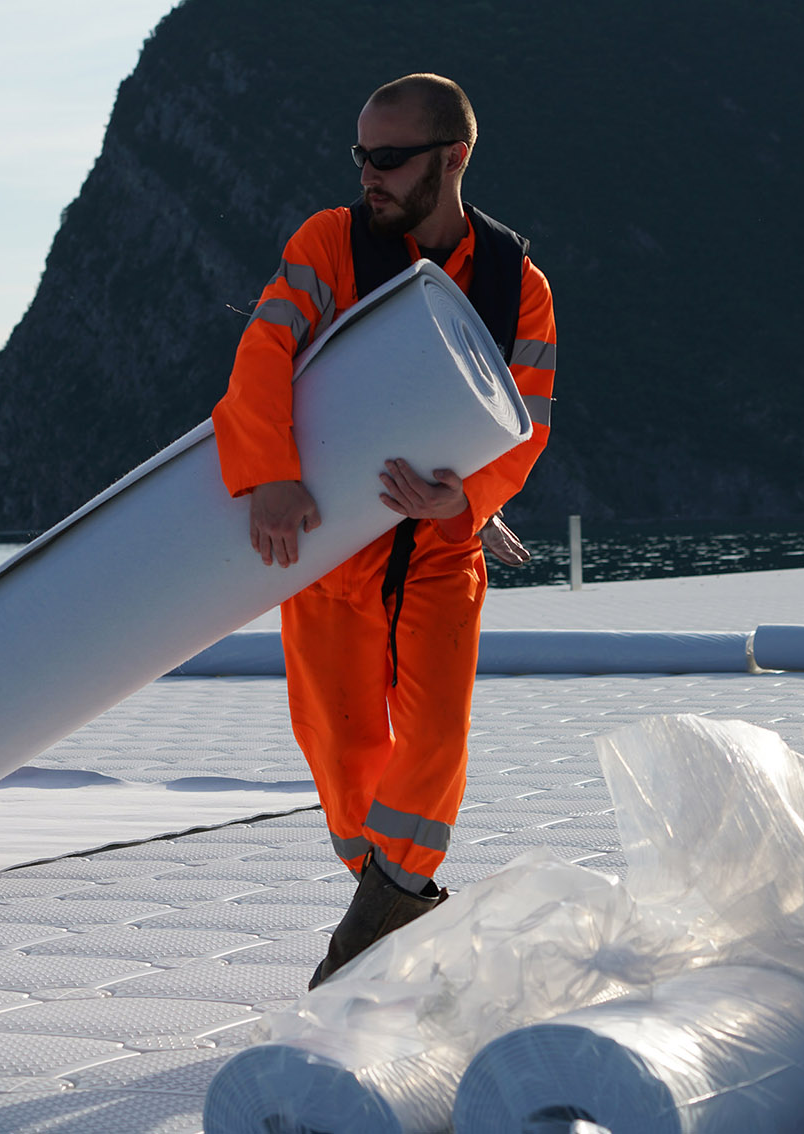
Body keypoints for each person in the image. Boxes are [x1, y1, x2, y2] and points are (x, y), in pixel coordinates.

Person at [211, 74, 556, 987]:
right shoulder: (328, 244)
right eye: (362, 153)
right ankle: (399, 906)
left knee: (436, 738)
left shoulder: (520, 284)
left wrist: (469, 501)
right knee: (342, 752)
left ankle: (368, 937)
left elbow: (532, 418)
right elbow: (263, 355)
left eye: (391, 157)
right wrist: (271, 478)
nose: (370, 173)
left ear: (454, 158)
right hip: (330, 549)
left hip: (444, 548)